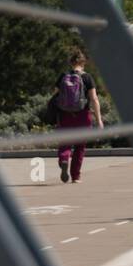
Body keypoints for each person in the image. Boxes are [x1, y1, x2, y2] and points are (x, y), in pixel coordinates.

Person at [53, 51, 103, 183]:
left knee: (65, 142)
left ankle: (64, 159)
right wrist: (99, 120)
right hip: (83, 115)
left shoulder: (63, 76)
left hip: (65, 115)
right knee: (80, 146)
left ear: (71, 62)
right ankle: (75, 176)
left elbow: (55, 96)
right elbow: (94, 99)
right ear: (83, 63)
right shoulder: (87, 78)